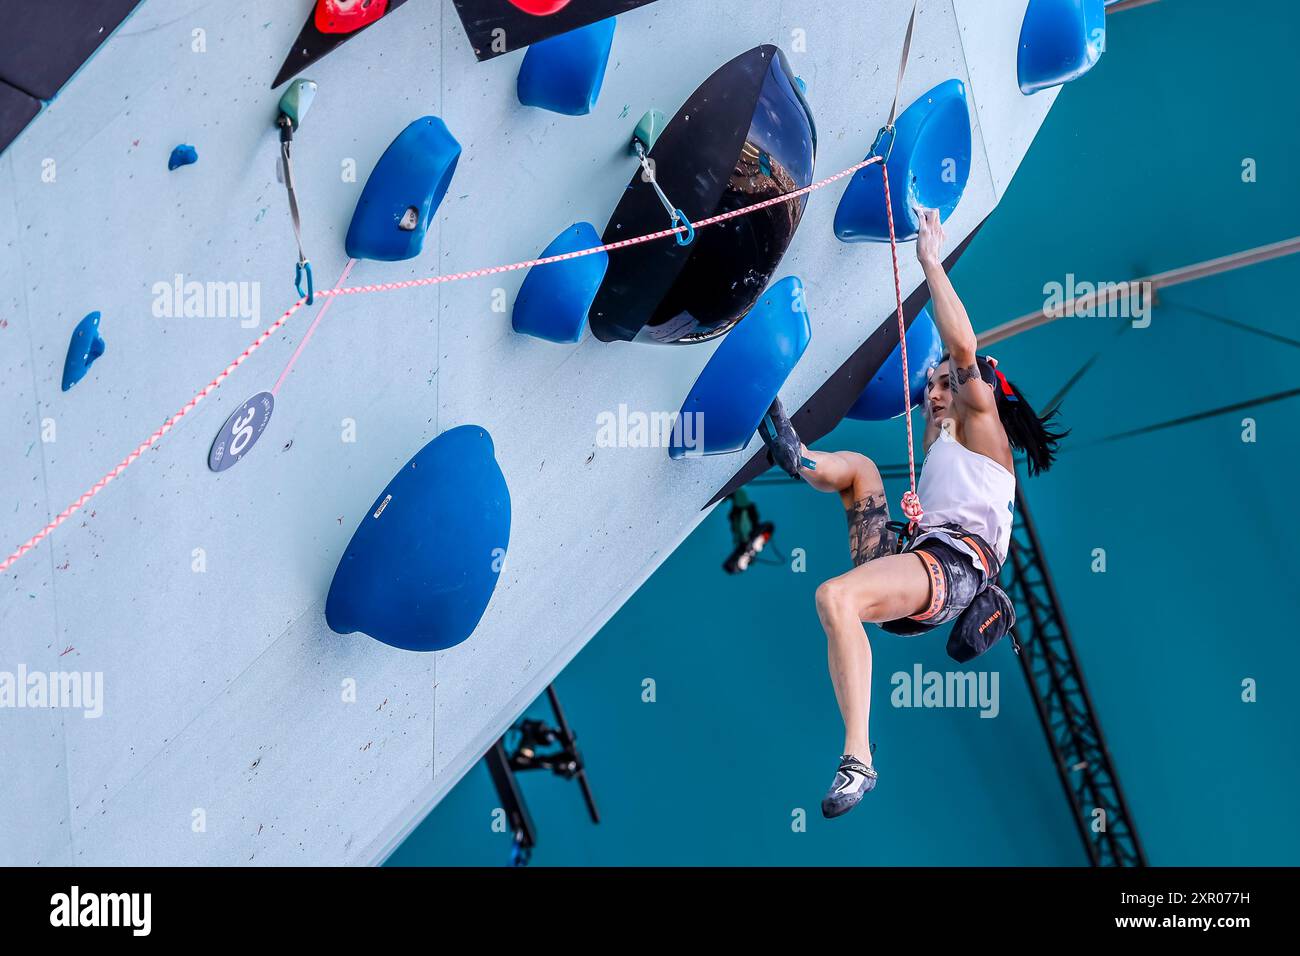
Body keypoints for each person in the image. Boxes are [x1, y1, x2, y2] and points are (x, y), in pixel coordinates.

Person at [764, 207, 1067, 818]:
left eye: (942, 385)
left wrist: (930, 260)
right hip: (923, 558)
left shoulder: (982, 427)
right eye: (929, 384)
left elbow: (963, 347)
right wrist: (923, 515)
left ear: (978, 395)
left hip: (951, 573)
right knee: (862, 474)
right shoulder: (941, 441)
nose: (931, 393)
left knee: (835, 599)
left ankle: (859, 760)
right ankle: (792, 452)